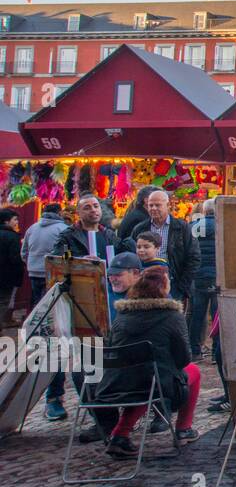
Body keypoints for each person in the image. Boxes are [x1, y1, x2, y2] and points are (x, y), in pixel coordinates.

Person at [89, 266, 201, 458]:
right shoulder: (172, 315)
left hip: (113, 383)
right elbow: (184, 358)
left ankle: (119, 435)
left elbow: (112, 347)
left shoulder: (121, 316)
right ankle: (184, 429)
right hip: (153, 384)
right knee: (192, 372)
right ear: (164, 287)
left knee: (141, 378)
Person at [46, 193, 135, 421]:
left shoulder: (109, 235)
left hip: (110, 300)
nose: (93, 210)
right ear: (79, 212)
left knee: (109, 357)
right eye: (87, 207)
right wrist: (79, 261)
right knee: (83, 361)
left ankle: (111, 410)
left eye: (96, 206)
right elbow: (60, 259)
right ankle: (98, 413)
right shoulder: (69, 236)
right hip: (83, 301)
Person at [129, 190, 198, 308]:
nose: (153, 208)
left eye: (158, 205)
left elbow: (194, 257)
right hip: (145, 284)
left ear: (168, 205)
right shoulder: (140, 228)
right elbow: (131, 254)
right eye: (151, 205)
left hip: (174, 284)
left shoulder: (182, 228)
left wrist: (182, 287)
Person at [21, 202, 67, 310]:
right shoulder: (63, 229)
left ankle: (35, 324)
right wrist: (66, 266)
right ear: (59, 213)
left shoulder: (32, 228)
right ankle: (46, 325)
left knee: (37, 302)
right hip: (53, 271)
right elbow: (67, 251)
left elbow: (24, 252)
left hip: (33, 270)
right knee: (51, 303)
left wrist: (30, 263)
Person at [189, 199, 218, 360]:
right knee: (216, 315)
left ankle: (194, 350)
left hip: (198, 276)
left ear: (205, 211)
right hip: (216, 275)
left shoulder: (193, 226)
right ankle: (215, 352)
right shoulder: (222, 226)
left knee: (197, 315)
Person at [0, 209, 23, 328]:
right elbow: (15, 259)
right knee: (3, 302)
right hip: (6, 277)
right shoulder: (12, 236)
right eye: (15, 219)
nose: (17, 222)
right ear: (6, 221)